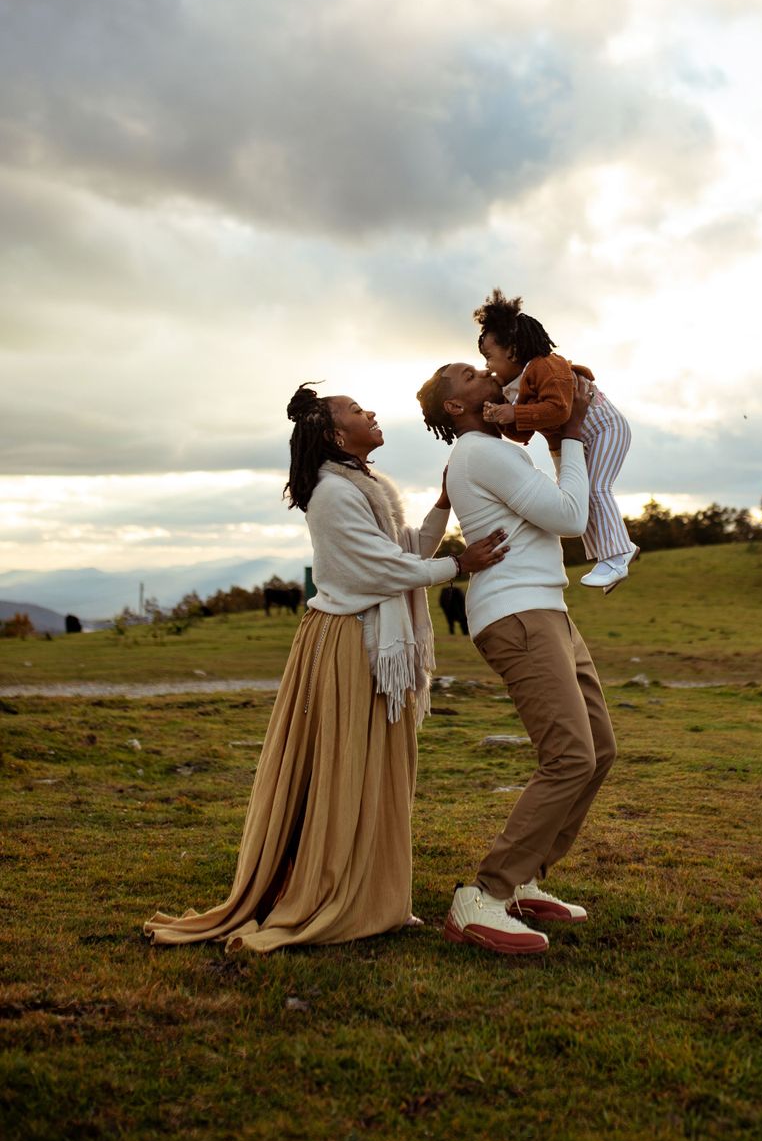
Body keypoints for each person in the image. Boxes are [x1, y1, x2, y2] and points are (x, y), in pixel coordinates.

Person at [144, 384, 508, 955]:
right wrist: (460, 564)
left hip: (369, 640)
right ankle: (336, 894)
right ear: (338, 435)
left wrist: (441, 506)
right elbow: (376, 568)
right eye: (358, 411)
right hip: (350, 643)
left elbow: (403, 549)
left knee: (378, 770)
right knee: (346, 767)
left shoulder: (363, 483)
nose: (371, 413)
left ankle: (376, 898)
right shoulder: (333, 492)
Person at [416, 361, 617, 956]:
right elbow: (569, 517)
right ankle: (483, 895)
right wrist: (573, 433)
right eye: (469, 375)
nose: (486, 372)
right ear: (456, 407)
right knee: (569, 755)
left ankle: (526, 879)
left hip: (545, 606)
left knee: (599, 749)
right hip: (517, 613)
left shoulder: (494, 450)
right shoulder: (480, 451)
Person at [473, 288, 637, 593]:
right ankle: (616, 548)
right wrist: (499, 416)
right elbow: (523, 432)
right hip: (570, 442)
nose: (487, 366)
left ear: (511, 350)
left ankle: (616, 557)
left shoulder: (548, 366)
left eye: (488, 356)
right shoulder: (516, 384)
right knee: (577, 498)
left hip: (603, 428)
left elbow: (558, 409)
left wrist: (513, 412)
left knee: (597, 488)